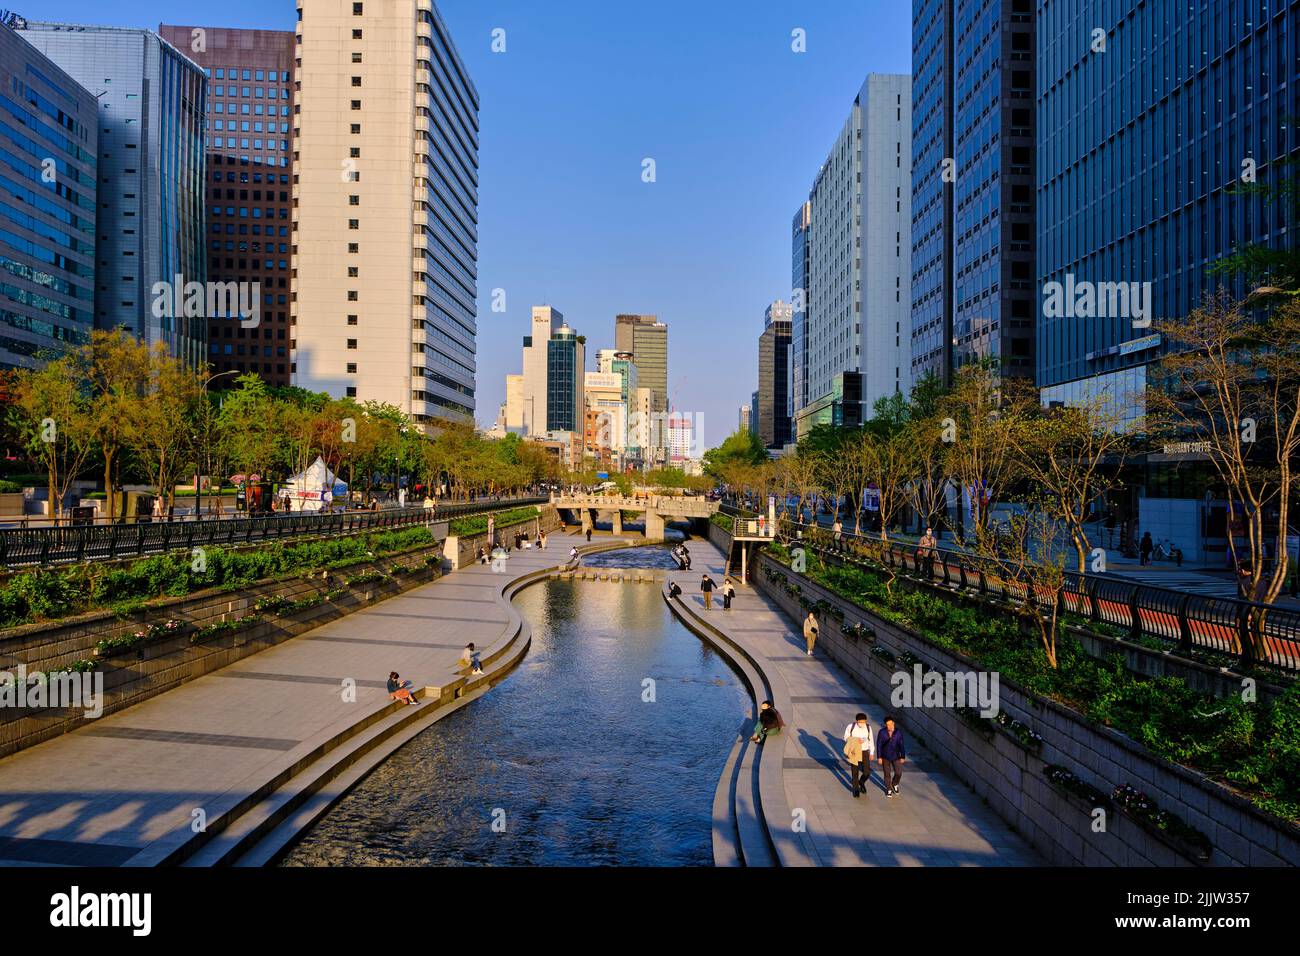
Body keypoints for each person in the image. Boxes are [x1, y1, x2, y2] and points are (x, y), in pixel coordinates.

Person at [843, 712, 876, 797]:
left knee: (867, 772)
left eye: (864, 722)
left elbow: (871, 740)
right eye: (861, 722)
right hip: (854, 751)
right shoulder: (851, 727)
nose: (862, 724)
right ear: (857, 721)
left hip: (865, 751)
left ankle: (861, 782)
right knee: (855, 771)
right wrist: (855, 740)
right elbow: (846, 737)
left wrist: (871, 753)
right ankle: (856, 790)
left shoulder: (868, 728)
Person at [877, 716, 907, 797]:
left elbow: (901, 745)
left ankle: (894, 784)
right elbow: (879, 745)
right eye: (887, 724)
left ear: (893, 723)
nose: (889, 726)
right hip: (885, 756)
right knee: (887, 774)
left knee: (899, 772)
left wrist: (903, 756)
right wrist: (879, 757)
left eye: (890, 724)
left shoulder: (898, 732)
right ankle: (889, 789)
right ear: (885, 725)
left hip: (896, 756)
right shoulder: (882, 732)